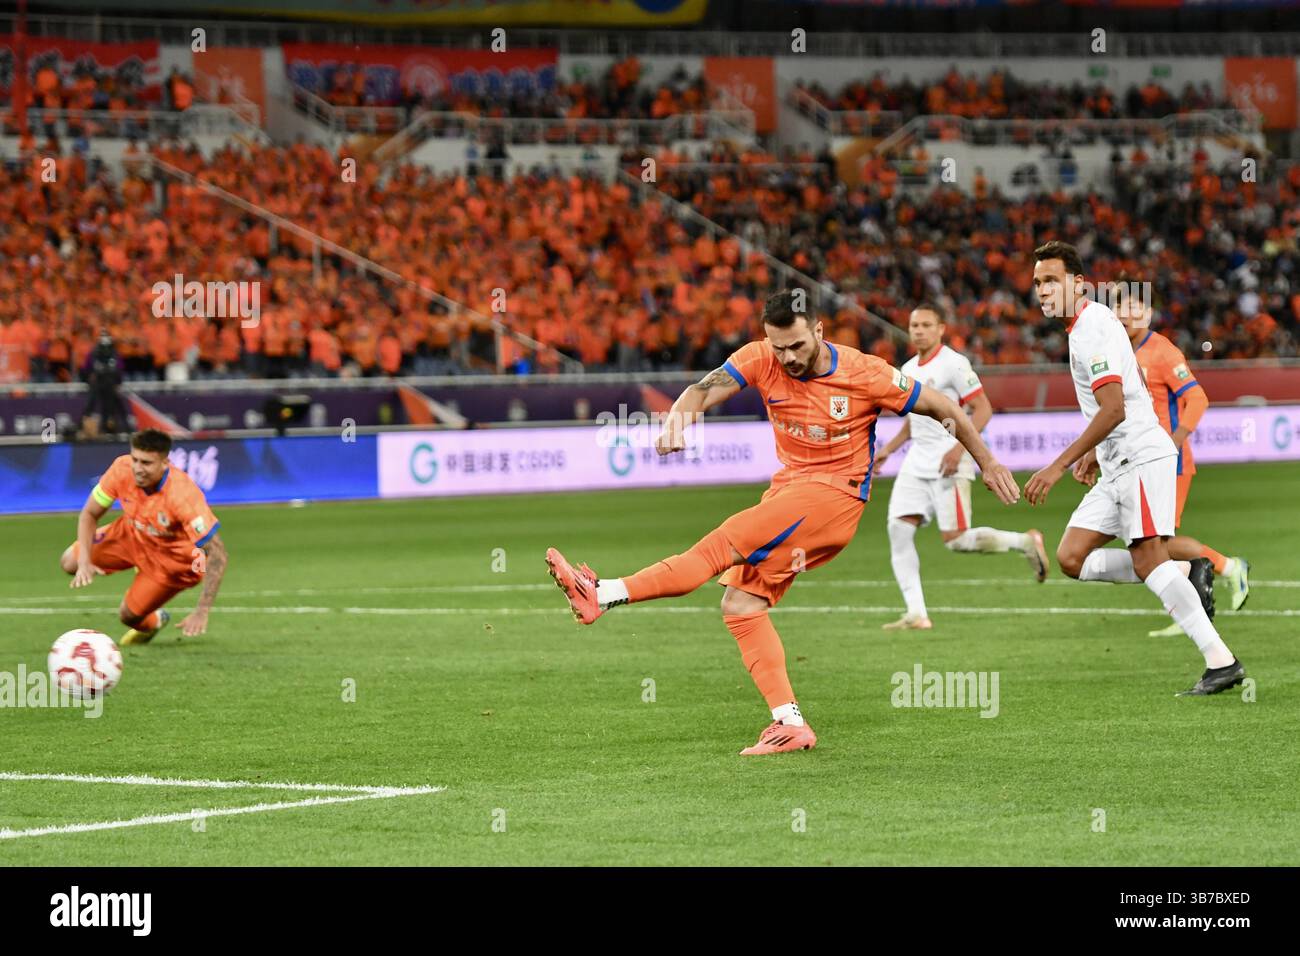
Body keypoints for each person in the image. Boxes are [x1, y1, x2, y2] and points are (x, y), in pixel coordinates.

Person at [545, 290, 1020, 755]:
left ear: (818, 330)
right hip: (790, 489)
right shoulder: (760, 357)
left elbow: (944, 407)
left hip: (834, 497)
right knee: (741, 605)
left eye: (798, 345)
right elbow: (701, 391)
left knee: (718, 546)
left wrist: (988, 462)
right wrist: (677, 420)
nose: (788, 357)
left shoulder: (864, 372)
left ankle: (602, 594)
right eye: (779, 347)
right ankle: (789, 723)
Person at [1025, 241, 1243, 696]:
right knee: (1071, 557)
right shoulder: (1088, 326)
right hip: (1118, 463)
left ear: (1078, 283)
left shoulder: (1092, 329)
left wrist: (1057, 466)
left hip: (1140, 458)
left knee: (1148, 560)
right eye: (1038, 283)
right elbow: (1125, 395)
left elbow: (1114, 409)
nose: (1043, 291)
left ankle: (1221, 661)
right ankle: (1181, 572)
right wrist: (1091, 452)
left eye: (1051, 281)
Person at [874, 303, 1049, 631]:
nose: (919, 330)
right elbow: (914, 420)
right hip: (916, 463)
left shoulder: (954, 364)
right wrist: (888, 450)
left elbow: (982, 410)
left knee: (956, 540)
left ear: (941, 329)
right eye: (914, 325)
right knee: (898, 530)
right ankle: (916, 613)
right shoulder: (908, 367)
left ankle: (1024, 542)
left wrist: (958, 449)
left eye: (926, 324)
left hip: (949, 461)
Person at [1113, 282, 1250, 636]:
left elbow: (1198, 399)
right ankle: (1192, 607)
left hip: (1168, 462)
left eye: (1134, 309)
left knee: (1157, 543)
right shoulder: (1119, 353)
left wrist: (1174, 441)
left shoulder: (1161, 351)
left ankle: (1227, 567)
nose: (1126, 315)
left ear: (1148, 314)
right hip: (1139, 461)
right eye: (1120, 309)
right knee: (1149, 542)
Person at [60, 428, 229, 644]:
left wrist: (202, 611)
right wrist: (85, 562)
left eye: (146, 463)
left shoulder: (183, 496)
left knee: (128, 616)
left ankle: (156, 621)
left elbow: (218, 555)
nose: (138, 469)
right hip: (131, 535)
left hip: (171, 563)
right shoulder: (122, 469)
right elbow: (89, 514)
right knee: (69, 561)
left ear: (165, 463)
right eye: (135, 460)